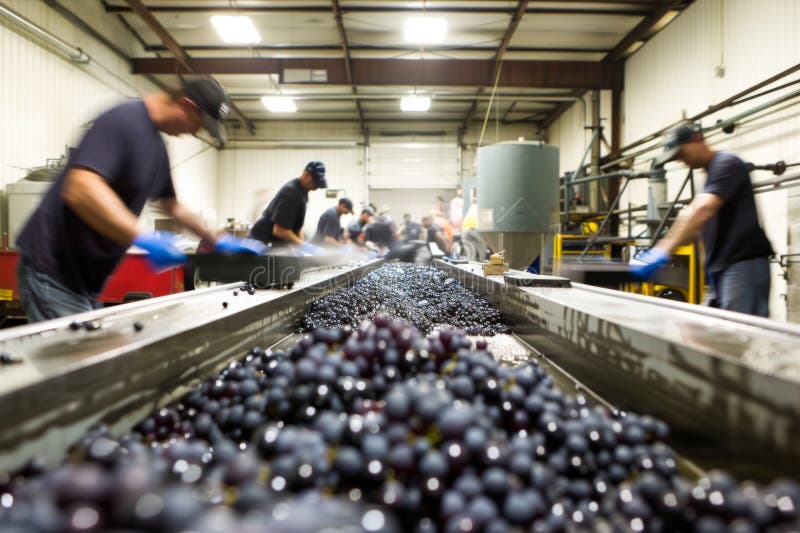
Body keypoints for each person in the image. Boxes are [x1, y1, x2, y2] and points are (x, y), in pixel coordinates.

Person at [15, 78, 263, 323]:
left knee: (87, 356)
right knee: (75, 360)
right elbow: (81, 188)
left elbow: (171, 204)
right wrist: (141, 236)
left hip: (86, 280)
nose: (194, 133)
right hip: (54, 269)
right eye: (199, 124)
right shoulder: (123, 122)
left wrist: (216, 240)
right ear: (185, 106)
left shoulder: (156, 145)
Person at [633, 122, 774, 317]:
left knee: (738, 337)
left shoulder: (727, 163)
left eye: (681, 153)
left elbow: (702, 211)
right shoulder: (710, 175)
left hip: (742, 266)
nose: (680, 160)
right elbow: (701, 228)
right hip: (720, 269)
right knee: (706, 332)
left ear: (697, 140)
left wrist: (661, 251)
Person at [249, 161, 327, 253]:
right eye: (315, 183)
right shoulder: (292, 194)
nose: (316, 187)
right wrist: (303, 245)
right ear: (306, 175)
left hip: (275, 242)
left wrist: (300, 245)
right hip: (262, 242)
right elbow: (279, 230)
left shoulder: (303, 193)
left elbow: (298, 226)